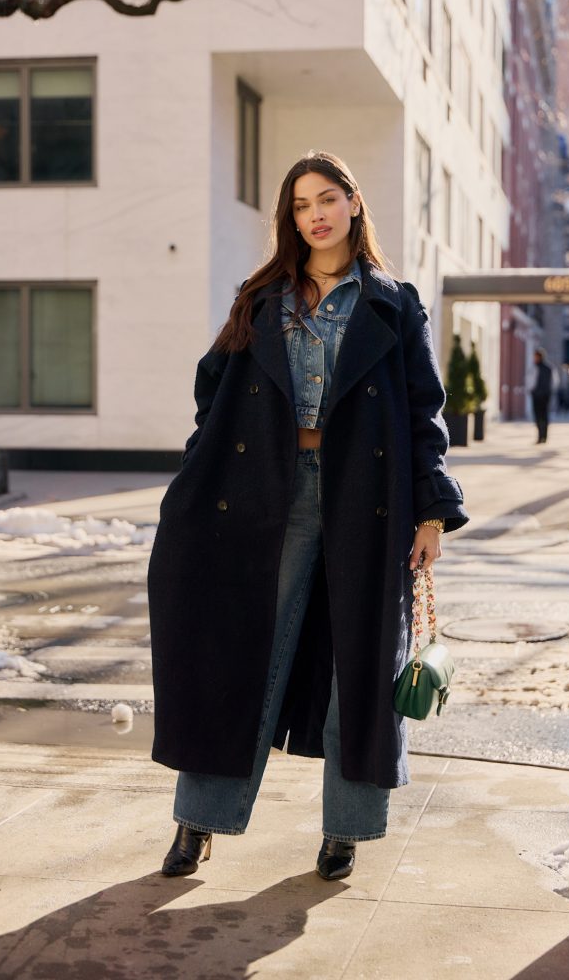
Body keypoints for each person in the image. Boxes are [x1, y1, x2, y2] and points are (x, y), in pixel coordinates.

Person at [147, 149, 469, 883]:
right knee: (241, 657)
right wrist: (205, 468)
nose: (315, 215)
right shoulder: (262, 298)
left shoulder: (393, 302)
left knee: (360, 668)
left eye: (327, 199)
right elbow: (213, 392)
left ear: (353, 203)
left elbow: (424, 413)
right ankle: (198, 821)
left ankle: (345, 830)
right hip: (268, 493)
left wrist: (431, 513)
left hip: (368, 499)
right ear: (289, 219)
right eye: (300, 205)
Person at [530, 347, 553, 443]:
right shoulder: (549, 368)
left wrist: (532, 390)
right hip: (544, 394)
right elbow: (555, 382)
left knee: (540, 415)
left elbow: (531, 381)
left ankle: (542, 436)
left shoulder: (535, 368)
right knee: (542, 415)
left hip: (539, 395)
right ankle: (542, 436)